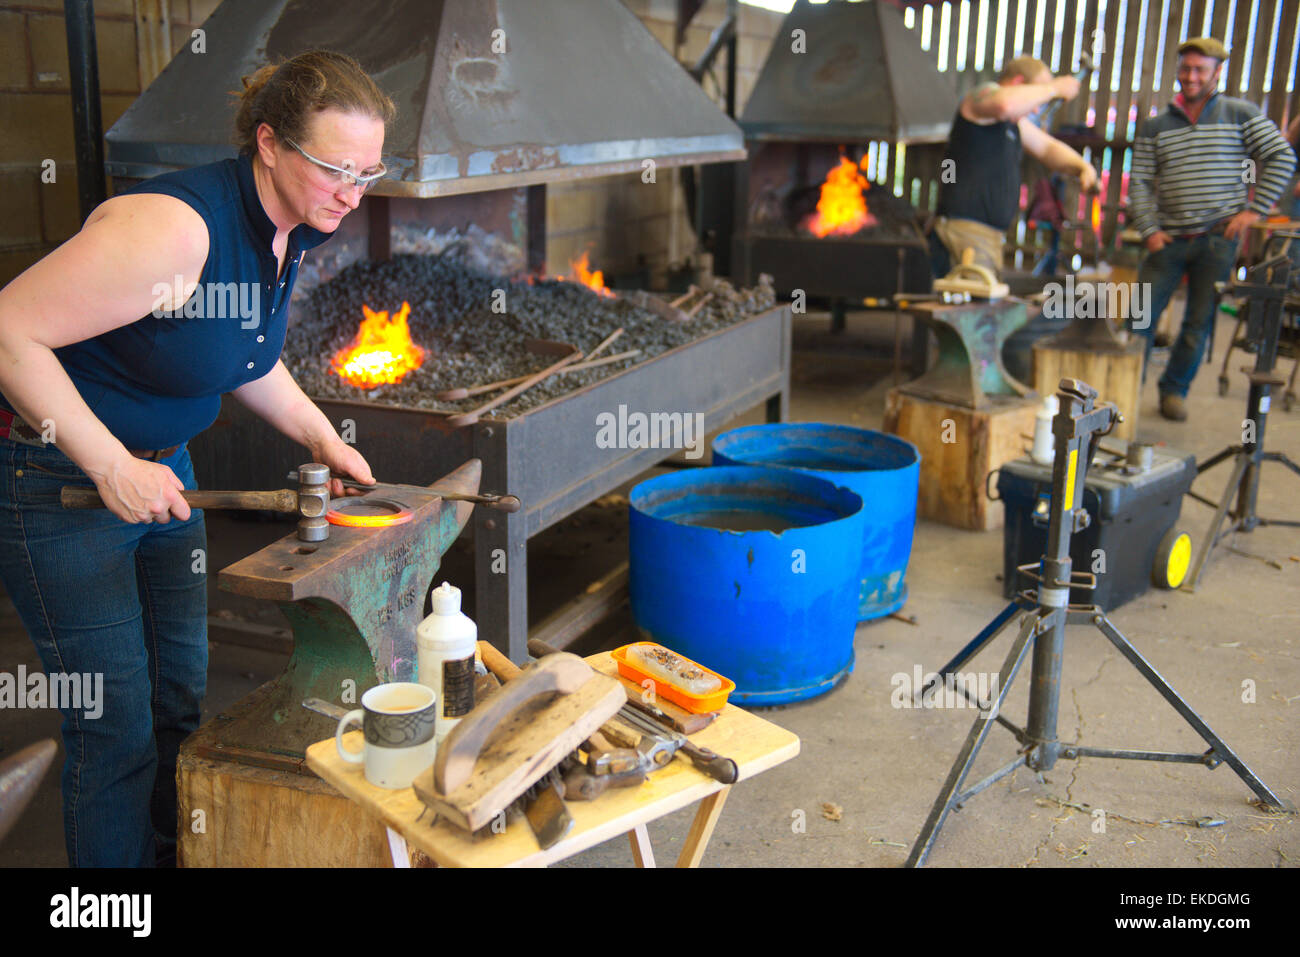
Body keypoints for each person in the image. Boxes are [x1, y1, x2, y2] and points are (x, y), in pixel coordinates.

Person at [0, 50, 390, 866]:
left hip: (165, 476)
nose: (353, 194)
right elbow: (8, 329)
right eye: (336, 169)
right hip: (60, 484)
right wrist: (108, 464)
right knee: (112, 725)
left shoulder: (289, 227)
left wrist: (322, 435)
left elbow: (242, 354)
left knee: (180, 697)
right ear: (271, 144)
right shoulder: (174, 230)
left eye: (370, 172)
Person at [1128, 37, 1296, 421]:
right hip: (1166, 240)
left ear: (1216, 72)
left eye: (1200, 70)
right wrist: (1149, 228)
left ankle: (1174, 391)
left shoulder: (1239, 114)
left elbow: (1281, 156)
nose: (1190, 76)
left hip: (1217, 241)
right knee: (1140, 317)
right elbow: (1138, 180)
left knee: (1198, 323)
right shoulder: (1156, 125)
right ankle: (1125, 387)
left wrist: (1253, 211)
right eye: (1185, 68)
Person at [930, 55, 1099, 278]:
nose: (1037, 110)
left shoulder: (1013, 124)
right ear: (1018, 83)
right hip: (964, 235)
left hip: (985, 239)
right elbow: (1004, 103)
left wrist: (1082, 167)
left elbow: (1048, 148)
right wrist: (1054, 88)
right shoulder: (979, 100)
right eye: (1037, 96)